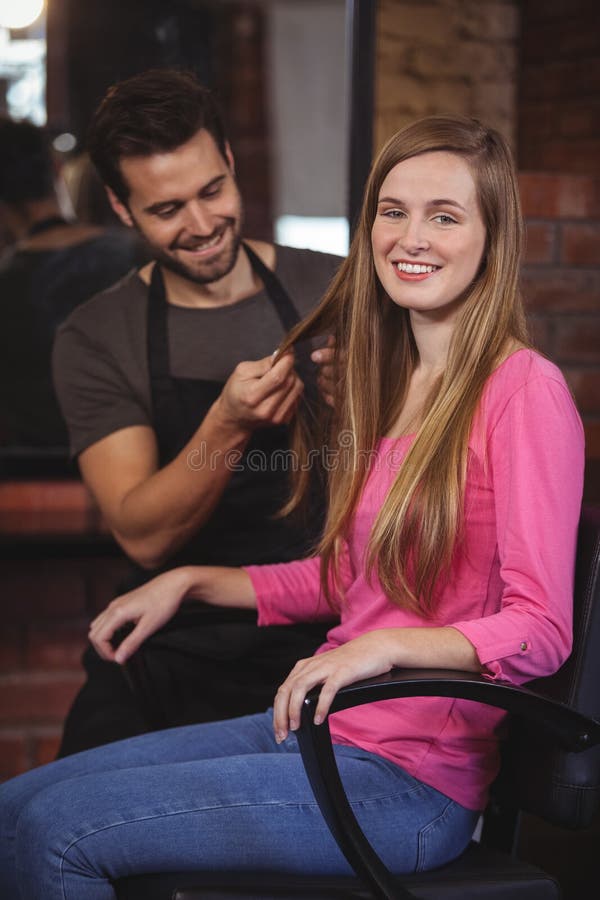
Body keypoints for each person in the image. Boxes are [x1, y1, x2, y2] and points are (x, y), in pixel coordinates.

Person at [0, 114, 584, 896]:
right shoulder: (396, 385)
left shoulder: (524, 391)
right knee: (12, 809)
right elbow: (345, 581)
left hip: (409, 785)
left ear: (492, 235)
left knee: (59, 831)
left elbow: (542, 631)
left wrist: (383, 650)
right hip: (321, 732)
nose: (411, 237)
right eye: (393, 210)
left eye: (444, 216)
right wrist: (195, 579)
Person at [51, 69, 341, 755]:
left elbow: (422, 472)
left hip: (327, 624)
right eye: (167, 209)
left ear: (232, 163)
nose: (204, 225)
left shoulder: (335, 289)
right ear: (123, 210)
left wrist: (363, 413)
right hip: (176, 637)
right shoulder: (98, 336)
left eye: (214, 190)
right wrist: (228, 425)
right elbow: (143, 535)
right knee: (49, 812)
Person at [0, 116, 146, 449]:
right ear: (55, 168)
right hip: (144, 461)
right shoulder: (135, 255)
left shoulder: (7, 284)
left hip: (34, 476)